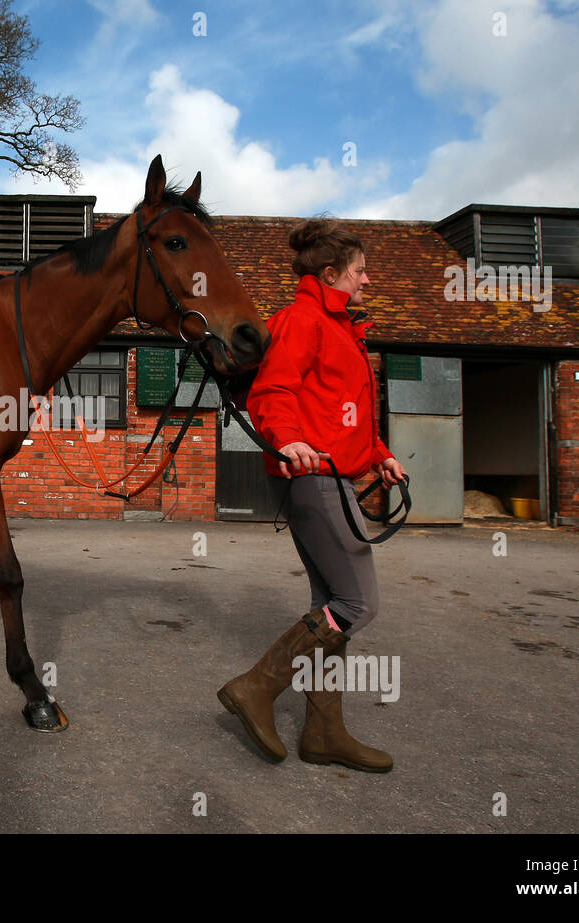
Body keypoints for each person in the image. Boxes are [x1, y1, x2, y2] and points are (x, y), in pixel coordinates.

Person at [217, 218, 407, 772]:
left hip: (334, 472)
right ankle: (256, 687)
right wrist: (289, 438)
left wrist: (379, 453)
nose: (367, 281)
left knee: (329, 609)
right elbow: (275, 391)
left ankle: (324, 733)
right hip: (315, 478)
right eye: (360, 272)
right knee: (357, 604)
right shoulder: (302, 321)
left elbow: (341, 410)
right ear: (331, 273)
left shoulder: (341, 327)